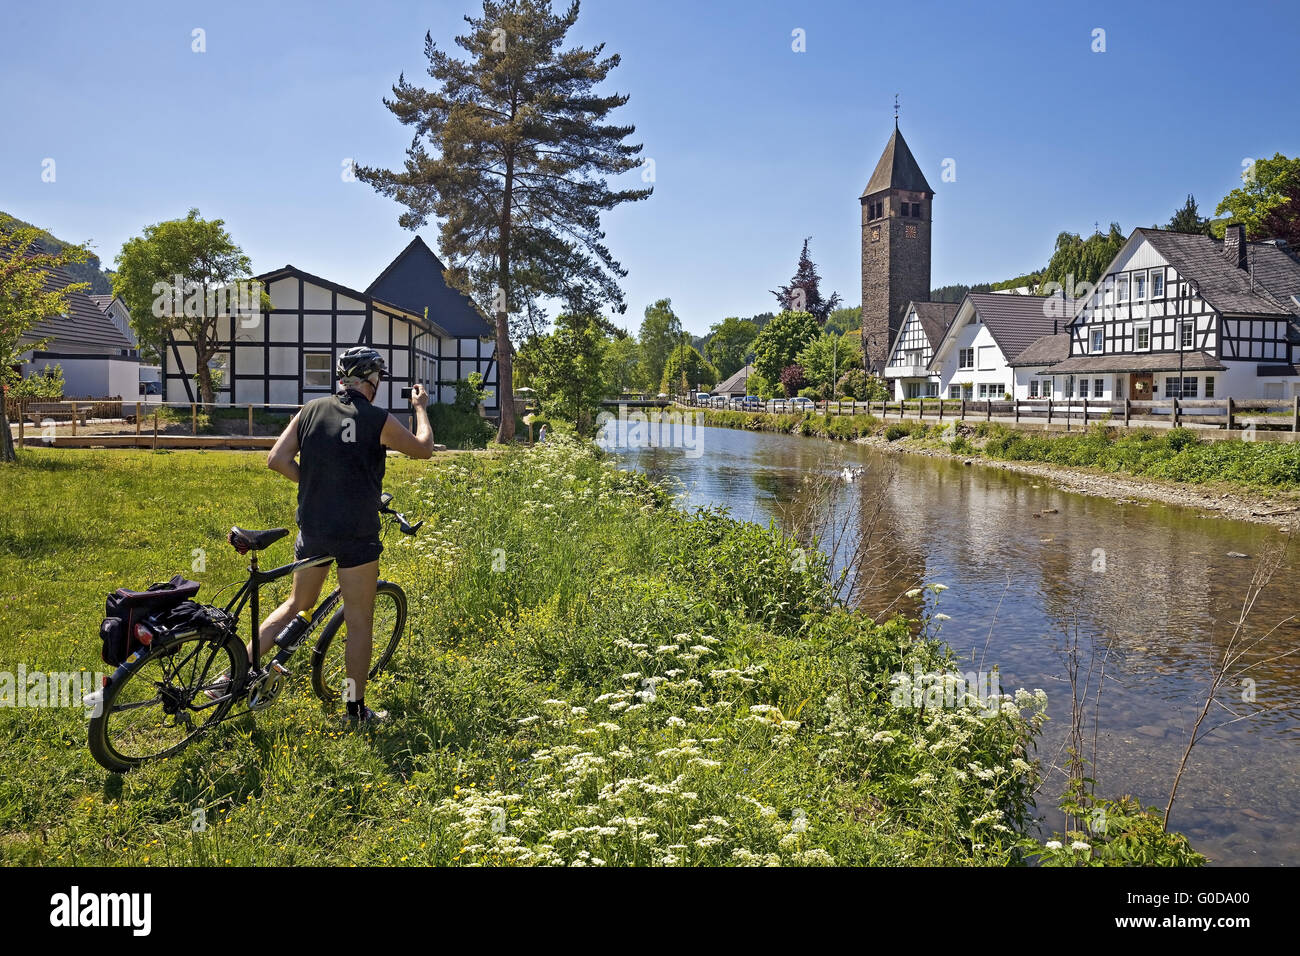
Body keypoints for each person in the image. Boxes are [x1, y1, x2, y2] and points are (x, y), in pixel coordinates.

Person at [262, 346, 434, 723]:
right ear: (371, 380)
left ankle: (228, 677)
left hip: (314, 526)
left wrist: (314, 484)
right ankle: (354, 710)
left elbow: (277, 459)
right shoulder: (377, 418)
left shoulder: (309, 411)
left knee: (295, 606)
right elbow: (424, 450)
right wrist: (420, 408)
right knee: (358, 619)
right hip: (356, 533)